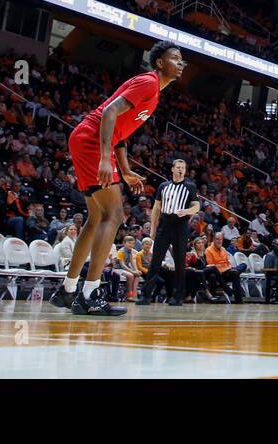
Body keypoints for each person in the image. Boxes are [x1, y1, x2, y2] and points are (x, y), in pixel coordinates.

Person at [50, 41, 184, 317]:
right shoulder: (148, 82)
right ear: (160, 63)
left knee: (96, 218)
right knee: (115, 213)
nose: (181, 63)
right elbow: (110, 112)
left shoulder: (154, 93)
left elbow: (120, 133)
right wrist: (102, 157)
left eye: (182, 60)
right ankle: (89, 294)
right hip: (91, 140)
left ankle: (67, 289)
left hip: (91, 140)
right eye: (175, 58)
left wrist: (123, 169)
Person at [139, 158, 199, 306]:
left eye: (183, 168)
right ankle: (145, 296)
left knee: (179, 263)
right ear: (172, 169)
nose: (180, 170)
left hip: (180, 225)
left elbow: (197, 206)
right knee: (155, 261)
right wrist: (153, 229)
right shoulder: (163, 186)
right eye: (178, 167)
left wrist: (186, 211)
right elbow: (156, 208)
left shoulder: (190, 186)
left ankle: (178, 297)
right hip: (164, 225)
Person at [205, 231, 243, 302]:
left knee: (238, 270)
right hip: (217, 273)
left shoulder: (223, 249)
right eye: (217, 239)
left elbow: (227, 263)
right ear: (213, 239)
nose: (219, 241)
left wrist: (228, 268)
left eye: (221, 239)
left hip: (226, 272)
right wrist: (224, 268)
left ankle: (239, 299)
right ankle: (214, 297)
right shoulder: (208, 250)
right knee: (213, 275)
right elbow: (212, 266)